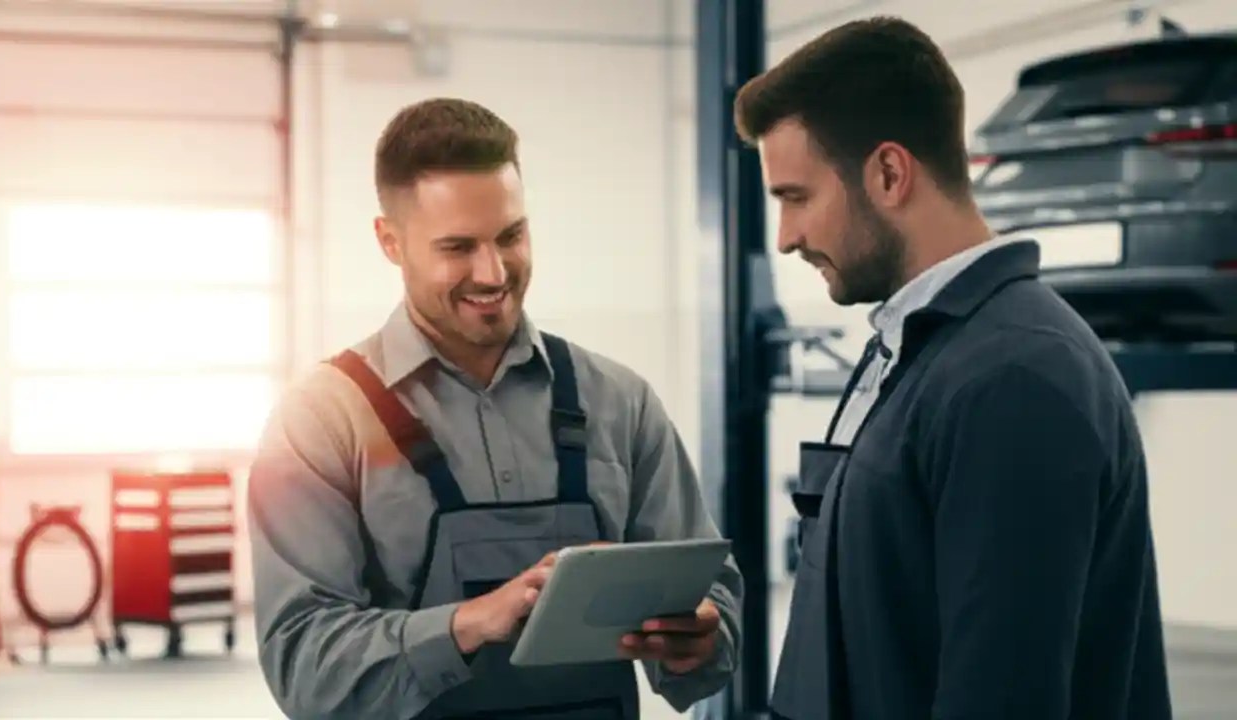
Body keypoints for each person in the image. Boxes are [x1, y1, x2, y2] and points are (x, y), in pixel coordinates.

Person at [246, 97, 742, 719]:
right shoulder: (319, 420)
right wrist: (466, 625)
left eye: (511, 235)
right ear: (390, 242)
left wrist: (701, 637)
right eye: (457, 247)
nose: (493, 271)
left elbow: (712, 594)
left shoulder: (619, 401)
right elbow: (304, 664)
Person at [734, 16, 1172, 720]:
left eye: (796, 198)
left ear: (888, 173)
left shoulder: (1016, 376)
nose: (786, 238)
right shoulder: (916, 348)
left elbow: (1002, 698)